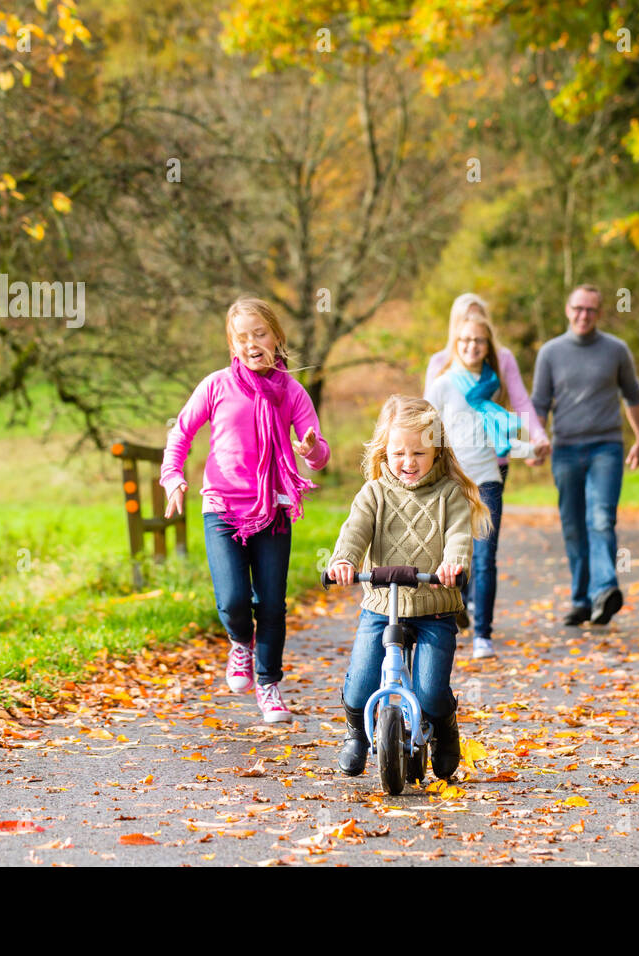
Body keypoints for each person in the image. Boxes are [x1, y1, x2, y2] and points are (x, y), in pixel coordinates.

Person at [161, 296, 330, 723]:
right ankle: (241, 642)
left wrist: (310, 450)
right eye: (243, 337)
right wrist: (172, 476)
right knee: (235, 599)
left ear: (276, 337)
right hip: (221, 507)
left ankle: (269, 686)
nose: (252, 343)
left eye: (260, 334)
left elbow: (320, 453)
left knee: (272, 603)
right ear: (232, 345)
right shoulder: (216, 385)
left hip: (273, 507)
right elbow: (181, 434)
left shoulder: (291, 391)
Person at [326, 395, 492, 780]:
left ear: (437, 451)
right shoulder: (374, 493)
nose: (408, 461)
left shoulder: (450, 494)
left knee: (432, 692)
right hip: (382, 604)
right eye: (399, 452)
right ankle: (356, 733)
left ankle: (444, 728)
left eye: (419, 452)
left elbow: (457, 536)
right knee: (360, 684)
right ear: (385, 452)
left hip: (435, 603)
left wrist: (454, 565)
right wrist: (344, 561)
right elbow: (354, 531)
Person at [425, 300, 547, 659]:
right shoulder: (444, 383)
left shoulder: (492, 385)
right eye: (464, 341)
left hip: (488, 480)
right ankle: (448, 615)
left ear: (487, 345)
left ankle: (484, 635)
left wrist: (532, 448)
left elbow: (496, 435)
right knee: (450, 555)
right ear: (455, 342)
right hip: (452, 483)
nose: (470, 347)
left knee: (486, 557)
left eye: (478, 341)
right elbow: (426, 429)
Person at [531, 283, 639, 627]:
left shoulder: (615, 350)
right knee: (573, 526)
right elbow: (539, 402)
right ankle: (581, 600)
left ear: (599, 313)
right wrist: (535, 442)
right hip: (565, 449)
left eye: (590, 310)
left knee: (600, 518)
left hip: (606, 447)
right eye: (578, 309)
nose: (584, 315)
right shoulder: (550, 352)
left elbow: (633, 395)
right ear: (567, 310)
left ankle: (605, 591)